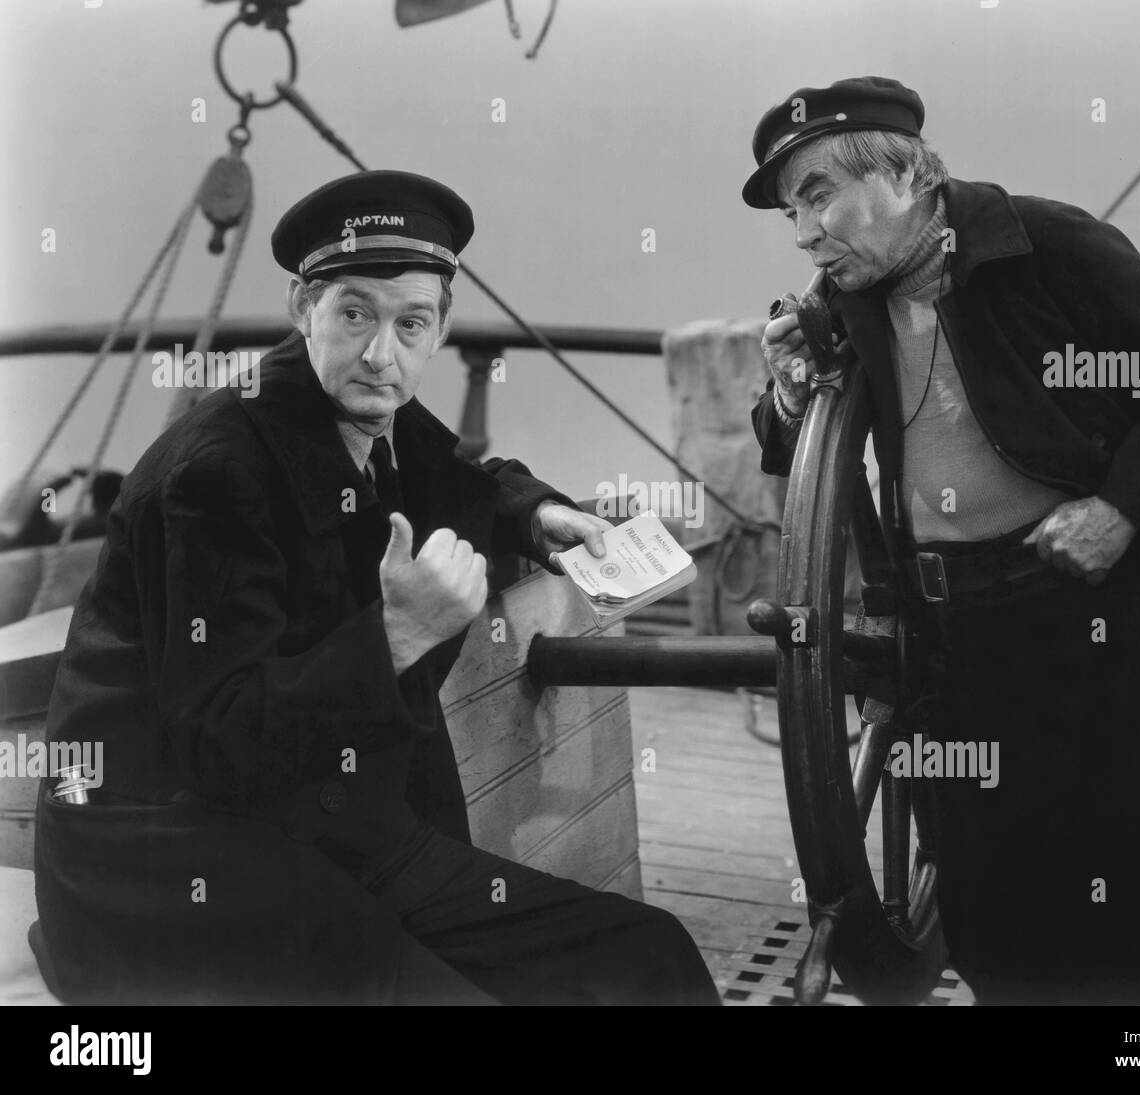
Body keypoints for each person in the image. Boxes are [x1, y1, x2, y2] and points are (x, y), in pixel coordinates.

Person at [34, 169, 718, 1006]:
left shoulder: (369, 407)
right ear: (302, 308)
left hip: (339, 825)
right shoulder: (217, 473)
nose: (379, 352)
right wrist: (395, 635)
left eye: (410, 322)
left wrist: (539, 516)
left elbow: (466, 471)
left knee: (647, 954)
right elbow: (218, 746)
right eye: (353, 312)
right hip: (176, 866)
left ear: (438, 330)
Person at [744, 77, 1140, 1004]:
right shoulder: (845, 299)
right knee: (987, 910)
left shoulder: (1046, 244)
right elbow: (792, 446)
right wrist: (788, 396)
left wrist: (1122, 508)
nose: (804, 232)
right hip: (948, 638)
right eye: (793, 209)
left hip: (1095, 620)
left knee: (1107, 911)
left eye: (817, 195)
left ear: (906, 174)